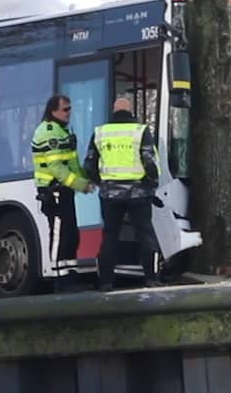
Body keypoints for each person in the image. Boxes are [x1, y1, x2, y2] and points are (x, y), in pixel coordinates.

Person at [83, 96, 160, 290]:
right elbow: (150, 161)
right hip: (138, 194)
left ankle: (106, 282)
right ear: (131, 111)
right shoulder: (140, 131)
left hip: (110, 195)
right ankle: (151, 278)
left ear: (113, 111)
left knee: (110, 236)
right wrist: (151, 182)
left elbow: (89, 165)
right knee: (145, 234)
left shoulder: (100, 133)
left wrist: (102, 183)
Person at [32, 95, 93, 271]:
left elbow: (72, 164)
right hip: (54, 190)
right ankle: (59, 277)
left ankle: (69, 275)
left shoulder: (61, 130)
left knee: (71, 235)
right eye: (65, 109)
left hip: (64, 190)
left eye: (70, 108)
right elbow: (56, 168)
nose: (69, 112)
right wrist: (81, 184)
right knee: (60, 236)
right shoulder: (49, 132)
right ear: (53, 111)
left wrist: (85, 180)